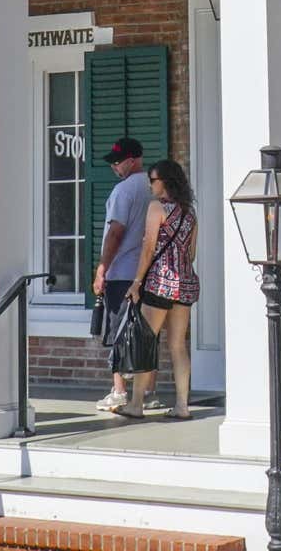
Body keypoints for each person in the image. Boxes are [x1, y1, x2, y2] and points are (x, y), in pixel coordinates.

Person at [115, 158, 199, 421]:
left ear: (165, 182)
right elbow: (192, 253)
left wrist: (137, 282)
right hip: (184, 283)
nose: (150, 184)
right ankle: (182, 406)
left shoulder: (157, 207)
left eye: (153, 180)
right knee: (178, 346)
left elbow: (149, 247)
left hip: (160, 283)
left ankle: (136, 404)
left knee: (145, 342)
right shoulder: (189, 213)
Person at [92, 137, 156, 413]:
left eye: (117, 162)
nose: (114, 167)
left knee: (118, 331)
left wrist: (102, 268)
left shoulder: (123, 191)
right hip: (150, 271)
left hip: (123, 273)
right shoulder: (155, 189)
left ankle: (119, 391)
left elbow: (115, 232)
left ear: (132, 160)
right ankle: (148, 393)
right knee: (147, 332)